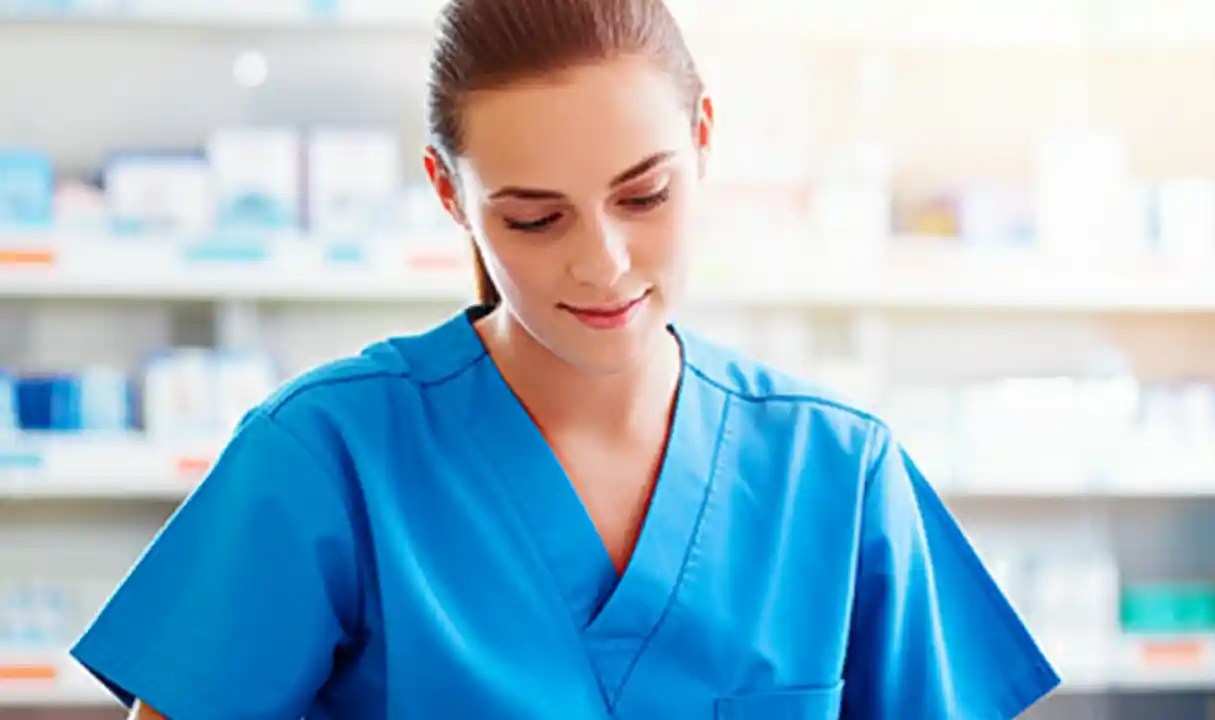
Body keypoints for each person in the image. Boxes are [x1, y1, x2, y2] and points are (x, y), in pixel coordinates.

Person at [71, 0, 1061, 717]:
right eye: (535, 217)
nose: (604, 263)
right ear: (449, 195)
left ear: (703, 140)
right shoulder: (325, 459)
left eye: (644, 196)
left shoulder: (836, 472)